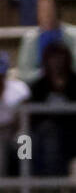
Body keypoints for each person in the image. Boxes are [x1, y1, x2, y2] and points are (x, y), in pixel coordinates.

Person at [29, 43, 76, 176]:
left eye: (60, 57)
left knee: (52, 138)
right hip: (39, 132)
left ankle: (52, 183)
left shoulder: (75, 82)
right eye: (53, 58)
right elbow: (31, 117)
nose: (57, 62)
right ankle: (27, 181)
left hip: (71, 132)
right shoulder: (38, 86)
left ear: (67, 59)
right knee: (23, 140)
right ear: (46, 60)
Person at [18, 0, 76, 82]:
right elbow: (24, 73)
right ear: (37, 13)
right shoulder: (29, 38)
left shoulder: (73, 35)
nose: (47, 14)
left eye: (50, 10)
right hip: (39, 86)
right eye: (43, 10)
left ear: (58, 11)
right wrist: (45, 74)